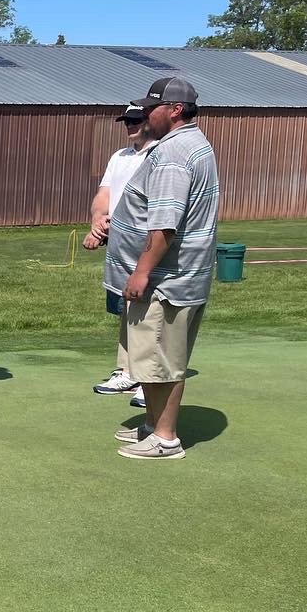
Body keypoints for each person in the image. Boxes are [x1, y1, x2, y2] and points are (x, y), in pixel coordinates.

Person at [104, 77, 219, 459]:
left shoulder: (174, 153)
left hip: (166, 278)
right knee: (149, 358)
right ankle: (154, 425)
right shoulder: (182, 146)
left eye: (151, 107)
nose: (144, 114)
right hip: (171, 274)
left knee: (161, 360)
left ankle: (166, 438)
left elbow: (164, 223)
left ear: (174, 110)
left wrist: (140, 272)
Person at [84, 105, 156, 398]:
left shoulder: (158, 155)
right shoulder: (119, 156)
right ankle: (127, 372)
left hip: (146, 241)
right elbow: (104, 195)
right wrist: (96, 222)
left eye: (136, 120)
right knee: (125, 308)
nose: (130, 125)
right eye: (127, 121)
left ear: (149, 122)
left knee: (149, 310)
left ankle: (149, 377)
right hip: (118, 243)